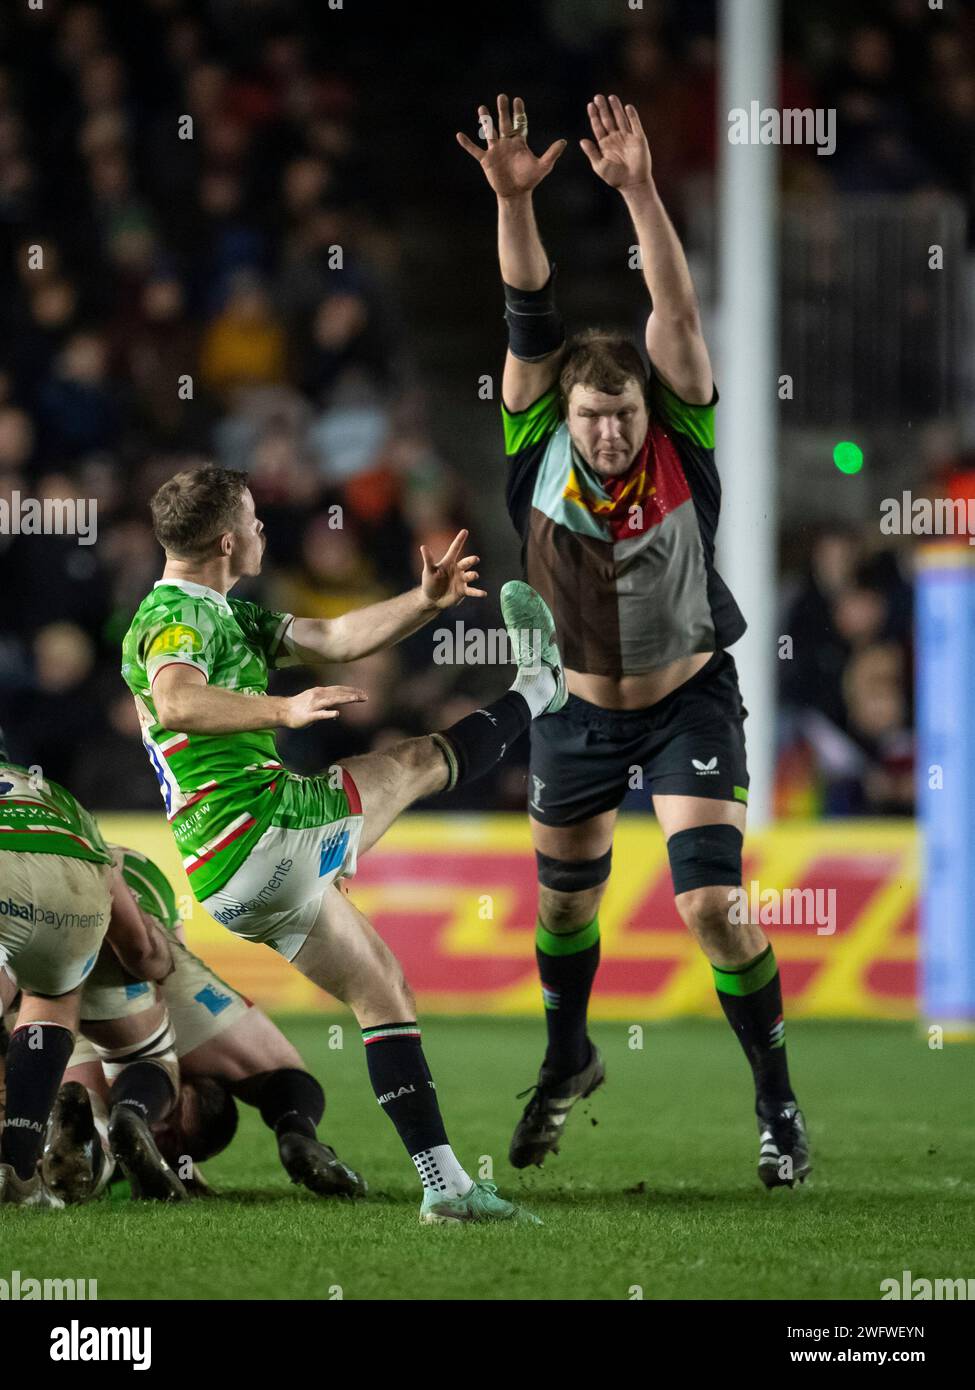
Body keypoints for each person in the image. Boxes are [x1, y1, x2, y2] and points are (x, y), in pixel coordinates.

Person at [458, 94, 810, 1187]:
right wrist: (516, 201)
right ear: (559, 415)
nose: (608, 432)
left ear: (650, 412)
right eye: (591, 416)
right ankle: (566, 1057)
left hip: (686, 702)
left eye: (623, 414)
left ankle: (778, 1107)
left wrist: (641, 191)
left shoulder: (683, 431)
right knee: (565, 906)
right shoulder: (533, 436)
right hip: (572, 712)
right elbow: (528, 308)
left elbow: (677, 309)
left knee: (711, 904)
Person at [121, 464, 565, 1223]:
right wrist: (284, 711)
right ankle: (539, 686)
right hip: (260, 828)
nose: (264, 529)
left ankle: (447, 1188)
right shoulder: (175, 616)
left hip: (227, 880)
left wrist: (424, 602)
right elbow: (176, 699)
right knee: (415, 761)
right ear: (227, 541)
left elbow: (332, 636)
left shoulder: (226, 613)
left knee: (381, 991)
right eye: (253, 519)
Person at [41, 843, 365, 1204]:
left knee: (277, 1070)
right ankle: (107, 1134)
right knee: (120, 1076)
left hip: (47, 922)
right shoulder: (135, 876)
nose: (159, 1133)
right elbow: (151, 966)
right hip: (109, 947)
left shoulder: (130, 868)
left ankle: (296, 1127)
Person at [0, 728, 173, 1206]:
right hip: (76, 887)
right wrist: (161, 960)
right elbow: (141, 952)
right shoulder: (54, 796)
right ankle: (16, 1171)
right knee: (55, 994)